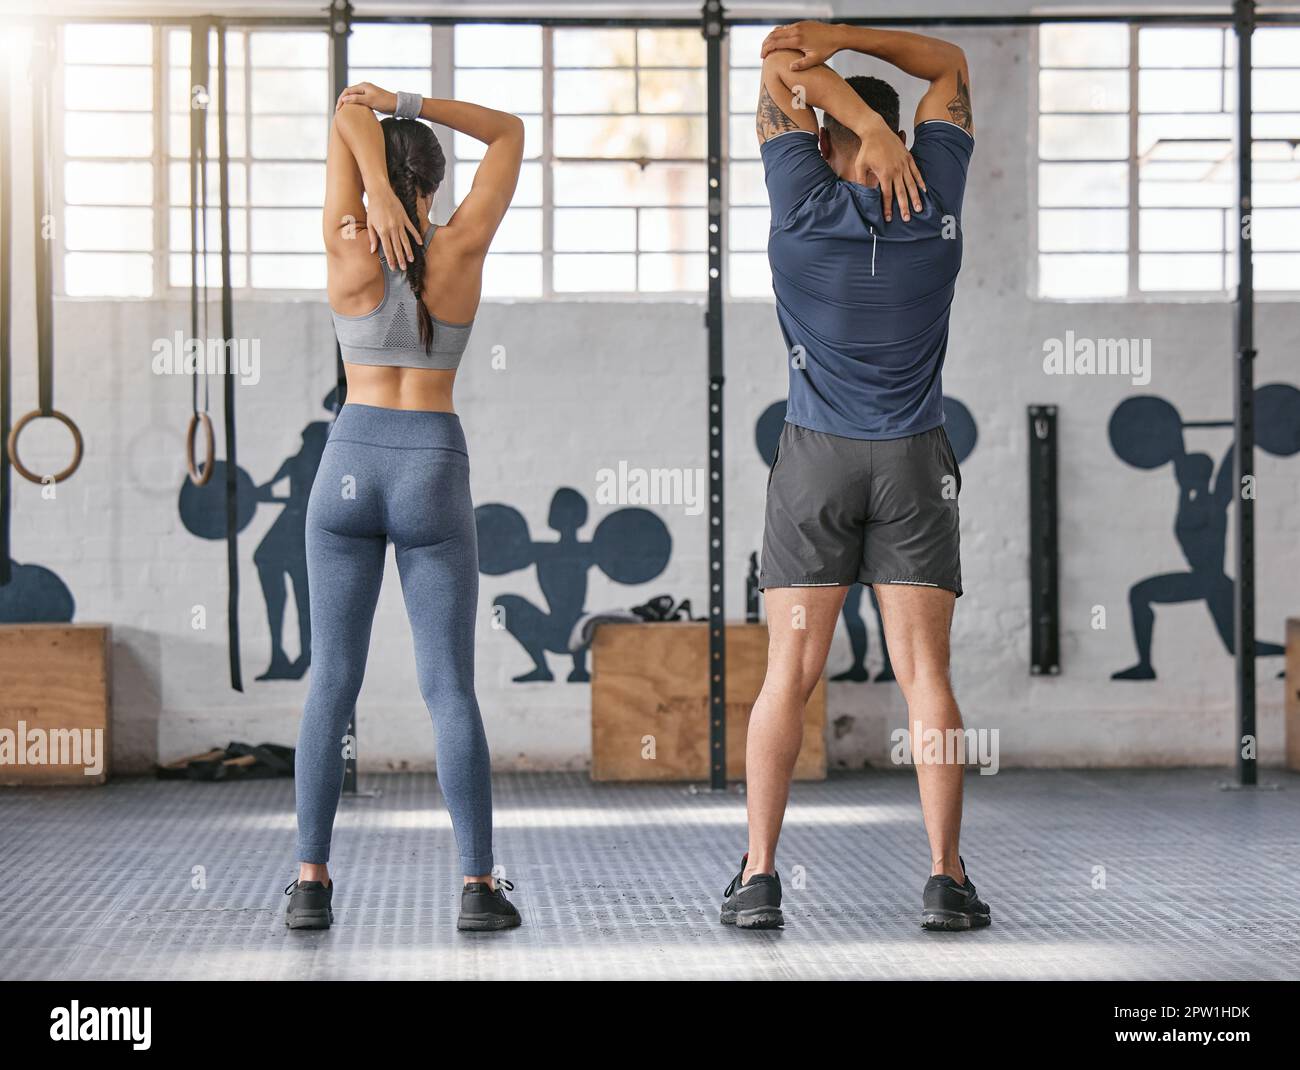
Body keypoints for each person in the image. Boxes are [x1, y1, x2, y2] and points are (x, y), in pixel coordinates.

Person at [721, 21, 990, 932]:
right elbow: (949, 66)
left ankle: (760, 877)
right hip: (915, 462)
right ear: (903, 138)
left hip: (816, 465)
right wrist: (852, 45)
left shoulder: (799, 206)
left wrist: (844, 105)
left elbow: (775, 62)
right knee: (925, 676)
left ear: (823, 139)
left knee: (788, 674)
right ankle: (946, 878)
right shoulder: (938, 210)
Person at [284, 82, 524, 932]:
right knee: (448, 689)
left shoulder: (348, 241)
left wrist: (374, 185)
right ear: (435, 179)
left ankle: (310, 884)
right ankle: (477, 889)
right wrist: (409, 101)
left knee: (330, 683)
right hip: (430, 458)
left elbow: (344, 113)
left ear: (374, 177)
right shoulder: (461, 246)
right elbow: (510, 131)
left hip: (348, 458)